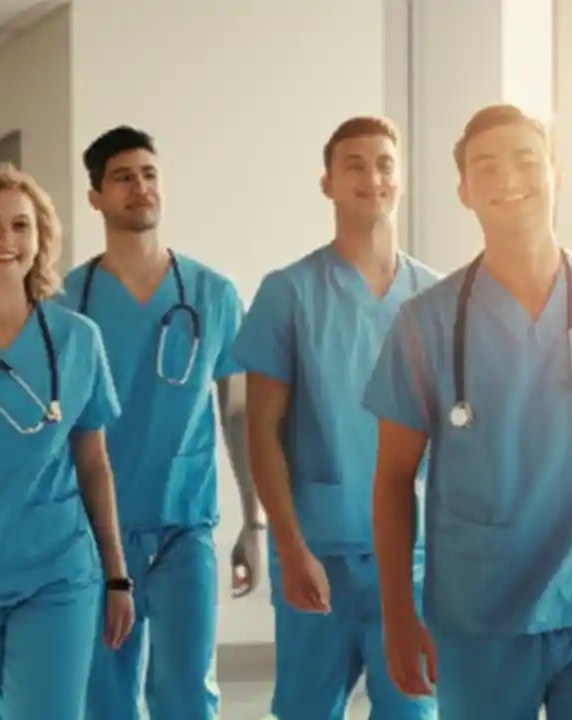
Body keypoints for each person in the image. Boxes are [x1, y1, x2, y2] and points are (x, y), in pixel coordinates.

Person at [361, 104, 572, 719]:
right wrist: (398, 616)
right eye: (485, 166)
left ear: (555, 172)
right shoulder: (426, 323)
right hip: (475, 618)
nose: (507, 177)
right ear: (464, 191)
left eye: (524, 159)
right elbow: (389, 481)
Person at [232, 115, 439, 719]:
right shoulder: (288, 293)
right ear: (326, 183)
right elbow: (262, 431)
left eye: (384, 165)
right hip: (319, 548)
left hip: (416, 558)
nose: (371, 177)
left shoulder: (435, 300)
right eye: (354, 164)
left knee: (413, 710)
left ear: (401, 181)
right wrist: (290, 547)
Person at [65, 126, 262, 720]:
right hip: (97, 533)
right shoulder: (69, 300)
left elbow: (238, 413)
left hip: (185, 527)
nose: (140, 187)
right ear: (95, 197)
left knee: (186, 696)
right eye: (123, 177)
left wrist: (252, 520)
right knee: (106, 697)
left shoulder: (213, 293)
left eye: (149, 174)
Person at [0, 164, 136, 719]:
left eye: (21, 226)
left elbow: (93, 463)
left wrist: (117, 574)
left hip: (56, 571)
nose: (6, 240)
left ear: (41, 238)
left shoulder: (76, 339)